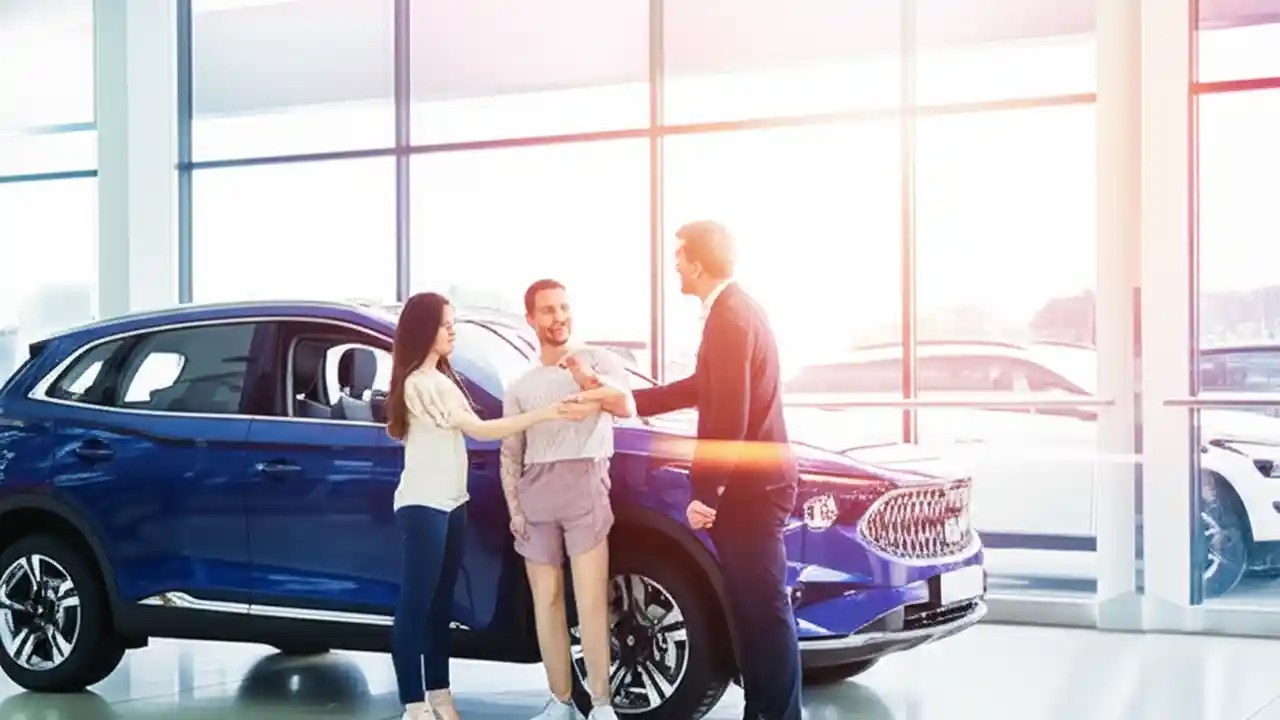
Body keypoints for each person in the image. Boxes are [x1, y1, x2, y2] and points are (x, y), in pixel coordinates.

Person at [386, 292, 593, 720]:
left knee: (441, 604)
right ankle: (414, 704)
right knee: (416, 603)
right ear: (425, 329)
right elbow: (482, 430)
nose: (452, 331)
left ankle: (439, 694)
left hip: (453, 503)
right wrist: (545, 413)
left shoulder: (442, 378)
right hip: (423, 506)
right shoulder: (420, 384)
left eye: (453, 323)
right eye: (446, 324)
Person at [630, 221, 802, 720]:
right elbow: (701, 386)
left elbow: (730, 413)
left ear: (700, 261)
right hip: (755, 487)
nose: (676, 264)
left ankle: (776, 714)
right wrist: (631, 399)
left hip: (750, 493)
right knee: (755, 610)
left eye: (681, 255)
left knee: (764, 613)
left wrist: (707, 490)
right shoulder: (734, 310)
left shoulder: (729, 316)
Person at [500, 279, 635, 720]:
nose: (558, 317)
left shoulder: (601, 360)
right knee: (548, 601)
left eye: (563, 308)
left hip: (586, 490)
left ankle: (600, 704)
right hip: (535, 496)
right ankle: (560, 701)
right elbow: (511, 451)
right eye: (547, 310)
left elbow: (625, 404)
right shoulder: (520, 385)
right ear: (531, 319)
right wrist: (515, 510)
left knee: (592, 598)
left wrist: (584, 380)